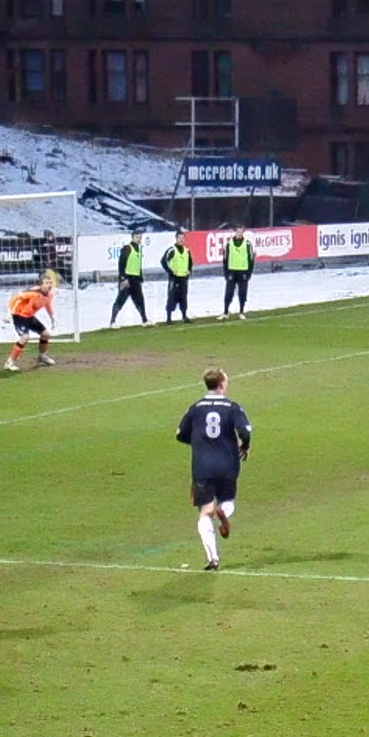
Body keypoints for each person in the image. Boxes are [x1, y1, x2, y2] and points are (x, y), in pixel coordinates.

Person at [175, 367, 254, 571]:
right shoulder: (232, 407)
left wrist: (199, 444)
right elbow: (244, 431)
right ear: (220, 384)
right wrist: (244, 446)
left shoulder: (196, 408)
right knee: (228, 501)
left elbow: (180, 434)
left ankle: (213, 559)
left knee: (205, 512)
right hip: (227, 464)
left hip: (202, 466)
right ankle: (224, 510)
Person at [5, 269, 58, 372]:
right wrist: (8, 312)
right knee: (25, 337)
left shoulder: (49, 295)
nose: (49, 285)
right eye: (47, 283)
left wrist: (52, 317)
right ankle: (9, 362)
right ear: (41, 285)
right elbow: (16, 297)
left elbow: (48, 305)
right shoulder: (33, 292)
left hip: (29, 316)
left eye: (50, 283)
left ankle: (42, 356)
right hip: (19, 316)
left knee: (46, 334)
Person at [109, 228, 149, 327]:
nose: (139, 239)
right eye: (137, 237)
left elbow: (138, 265)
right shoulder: (127, 248)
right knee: (120, 300)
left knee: (140, 299)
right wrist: (123, 278)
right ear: (132, 237)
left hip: (135, 279)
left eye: (140, 237)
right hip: (127, 278)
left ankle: (144, 320)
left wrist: (140, 277)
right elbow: (121, 263)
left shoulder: (139, 249)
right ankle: (112, 321)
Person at [220, 225, 255, 320]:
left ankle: (241, 311)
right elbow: (225, 259)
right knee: (228, 292)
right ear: (235, 232)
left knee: (242, 293)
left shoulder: (247, 244)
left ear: (243, 232)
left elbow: (251, 259)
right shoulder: (229, 244)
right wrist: (226, 273)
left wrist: (249, 273)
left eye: (241, 232)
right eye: (238, 231)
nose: (239, 233)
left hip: (243, 271)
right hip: (232, 271)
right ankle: (226, 312)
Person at [161, 234, 193, 323]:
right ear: (176, 239)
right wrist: (171, 271)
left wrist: (189, 270)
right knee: (172, 297)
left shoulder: (187, 250)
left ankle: (184, 316)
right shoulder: (172, 250)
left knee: (183, 297)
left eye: (183, 238)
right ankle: (168, 318)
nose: (181, 240)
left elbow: (190, 262)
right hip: (174, 278)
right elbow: (163, 261)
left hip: (184, 278)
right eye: (179, 238)